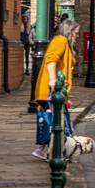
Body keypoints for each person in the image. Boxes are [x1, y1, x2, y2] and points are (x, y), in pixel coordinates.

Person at [32, 18, 81, 161]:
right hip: (53, 90)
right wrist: (53, 80)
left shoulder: (65, 43)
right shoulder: (60, 40)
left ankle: (45, 150)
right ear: (69, 31)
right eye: (76, 33)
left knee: (55, 121)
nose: (77, 36)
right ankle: (59, 153)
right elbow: (51, 59)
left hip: (59, 91)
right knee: (60, 122)